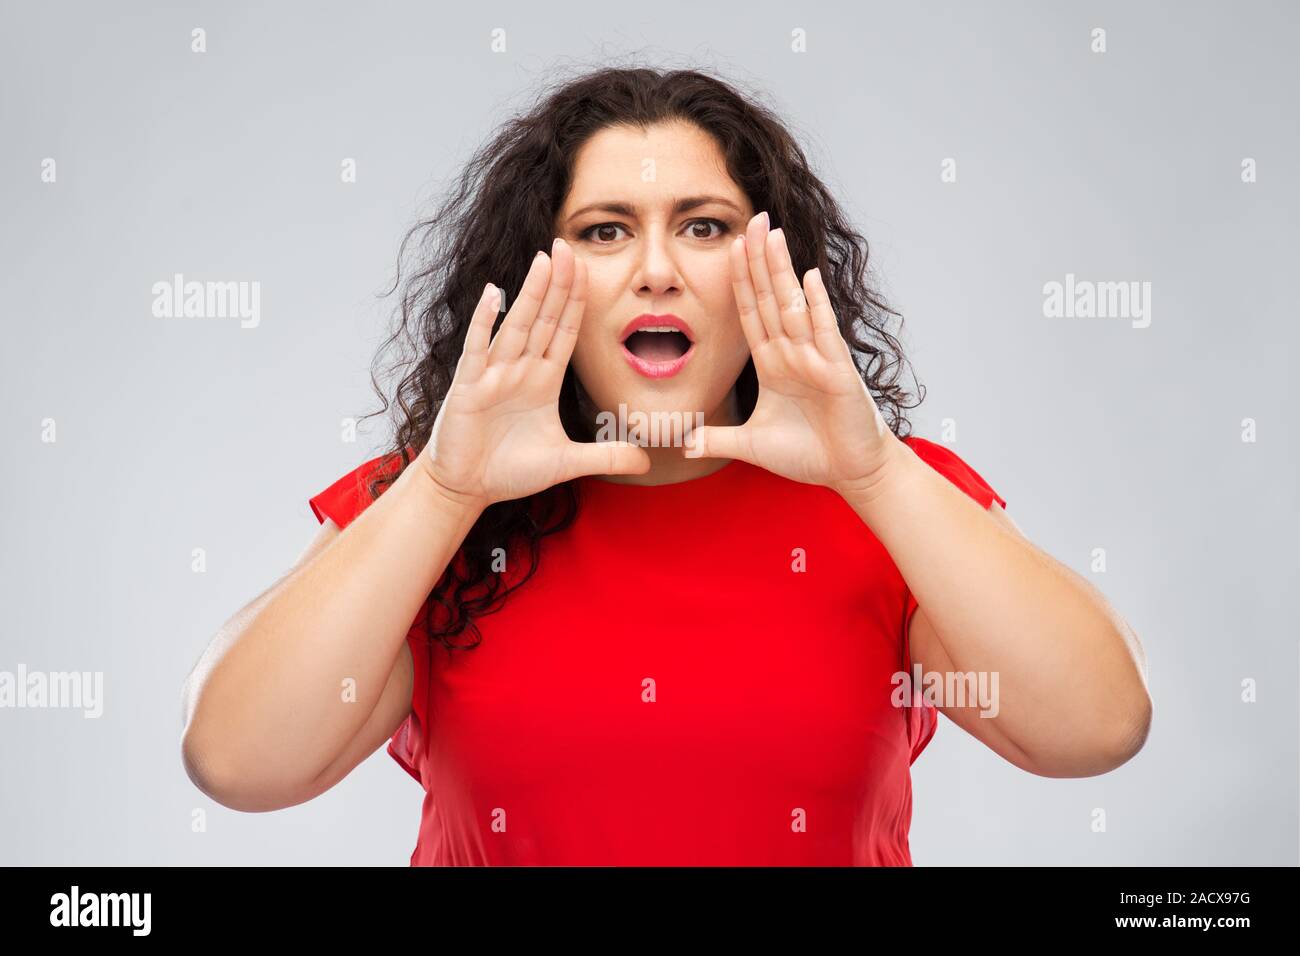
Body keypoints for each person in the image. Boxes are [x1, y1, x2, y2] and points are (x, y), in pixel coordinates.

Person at [181, 66, 1152, 866]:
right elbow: (238, 759)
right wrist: (442, 490)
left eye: (704, 226)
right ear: (534, 274)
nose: (656, 268)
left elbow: (1096, 726)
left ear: (773, 265)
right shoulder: (433, 502)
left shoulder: (895, 492)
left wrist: (874, 473)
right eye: (605, 231)